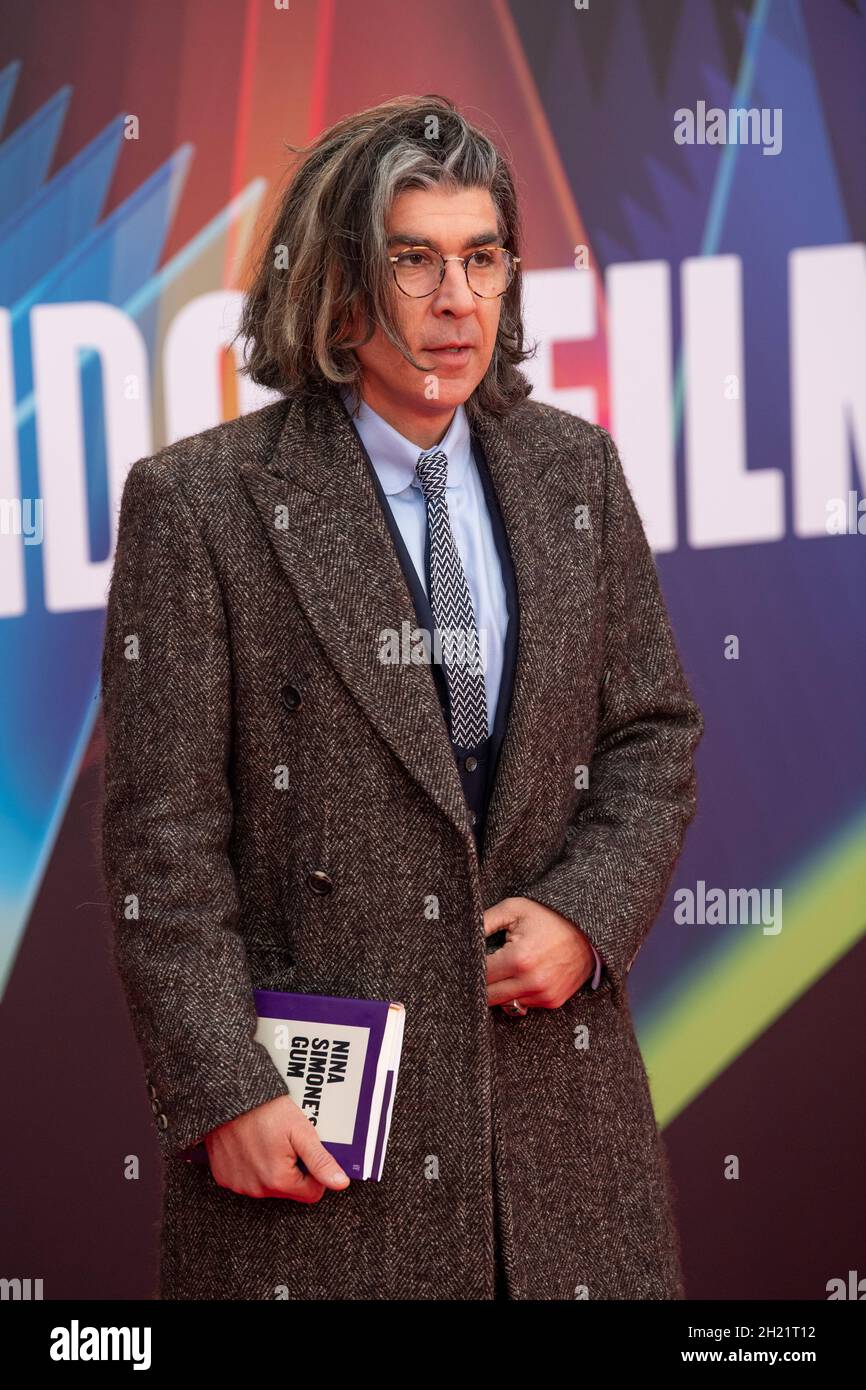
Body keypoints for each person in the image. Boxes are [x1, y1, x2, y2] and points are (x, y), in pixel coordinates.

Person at [100, 93, 704, 1301]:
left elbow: (651, 733)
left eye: (482, 258)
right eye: (414, 261)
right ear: (333, 290)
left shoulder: (571, 466)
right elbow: (161, 844)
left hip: (560, 1145)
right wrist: (224, 1087)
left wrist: (584, 914)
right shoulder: (198, 504)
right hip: (318, 1160)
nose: (457, 300)